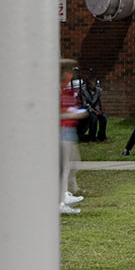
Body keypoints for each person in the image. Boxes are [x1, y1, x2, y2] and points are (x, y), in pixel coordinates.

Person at [60, 60, 87, 215]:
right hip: (62, 129)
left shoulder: (65, 89)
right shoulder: (57, 89)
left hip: (68, 129)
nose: (70, 74)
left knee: (70, 165)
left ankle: (64, 195)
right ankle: (60, 200)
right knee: (63, 167)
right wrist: (73, 113)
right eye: (67, 71)